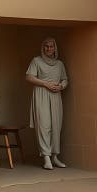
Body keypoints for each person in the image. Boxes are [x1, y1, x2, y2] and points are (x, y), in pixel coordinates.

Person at [25, 37, 68, 170]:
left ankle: (54, 157)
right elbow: (29, 76)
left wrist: (61, 86)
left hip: (55, 96)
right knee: (44, 126)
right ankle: (46, 157)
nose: (49, 49)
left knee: (56, 126)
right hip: (41, 95)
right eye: (46, 46)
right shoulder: (36, 61)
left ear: (55, 48)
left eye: (51, 46)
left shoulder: (60, 64)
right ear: (43, 48)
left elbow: (65, 79)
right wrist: (45, 84)